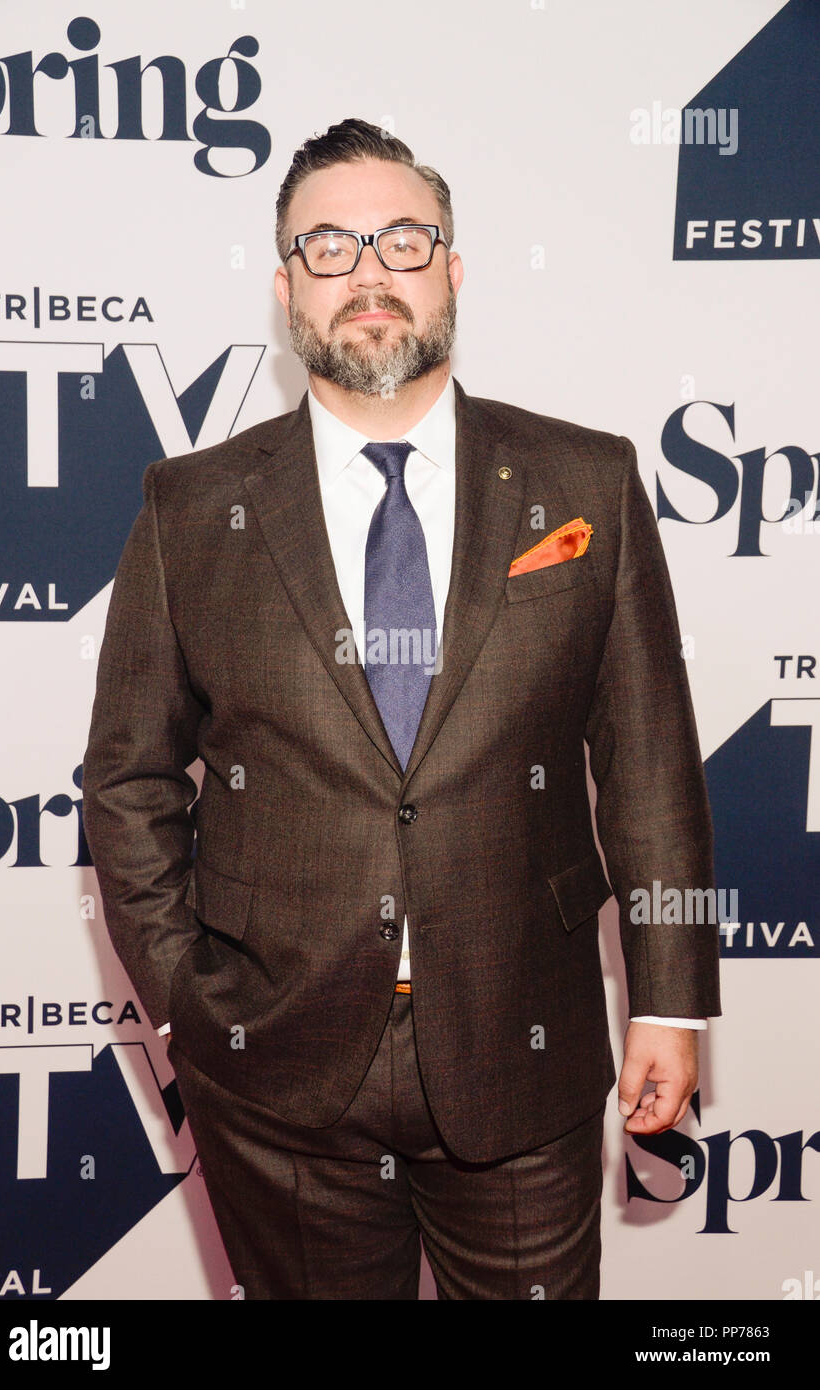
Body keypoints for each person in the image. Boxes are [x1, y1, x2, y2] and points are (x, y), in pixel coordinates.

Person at [82, 117, 721, 1300]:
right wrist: (186, 999)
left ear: (455, 267)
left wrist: (672, 997)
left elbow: (651, 766)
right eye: (328, 245)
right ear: (286, 290)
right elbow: (126, 783)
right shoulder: (191, 508)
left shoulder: (588, 484)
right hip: (273, 1070)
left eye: (404, 239)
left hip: (519, 1047)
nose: (369, 271)